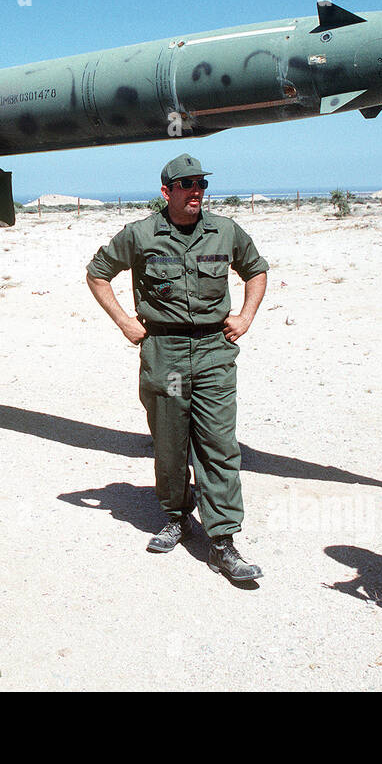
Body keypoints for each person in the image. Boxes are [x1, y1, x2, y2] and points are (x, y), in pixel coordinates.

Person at [85, 154, 268, 583]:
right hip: (163, 350)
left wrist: (245, 316)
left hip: (213, 350)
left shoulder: (225, 231)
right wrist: (125, 322)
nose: (196, 192)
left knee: (218, 444)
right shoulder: (141, 234)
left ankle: (222, 541)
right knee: (169, 441)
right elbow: (97, 274)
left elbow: (256, 270)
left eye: (200, 184)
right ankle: (176, 517)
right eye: (186, 185)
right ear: (166, 192)